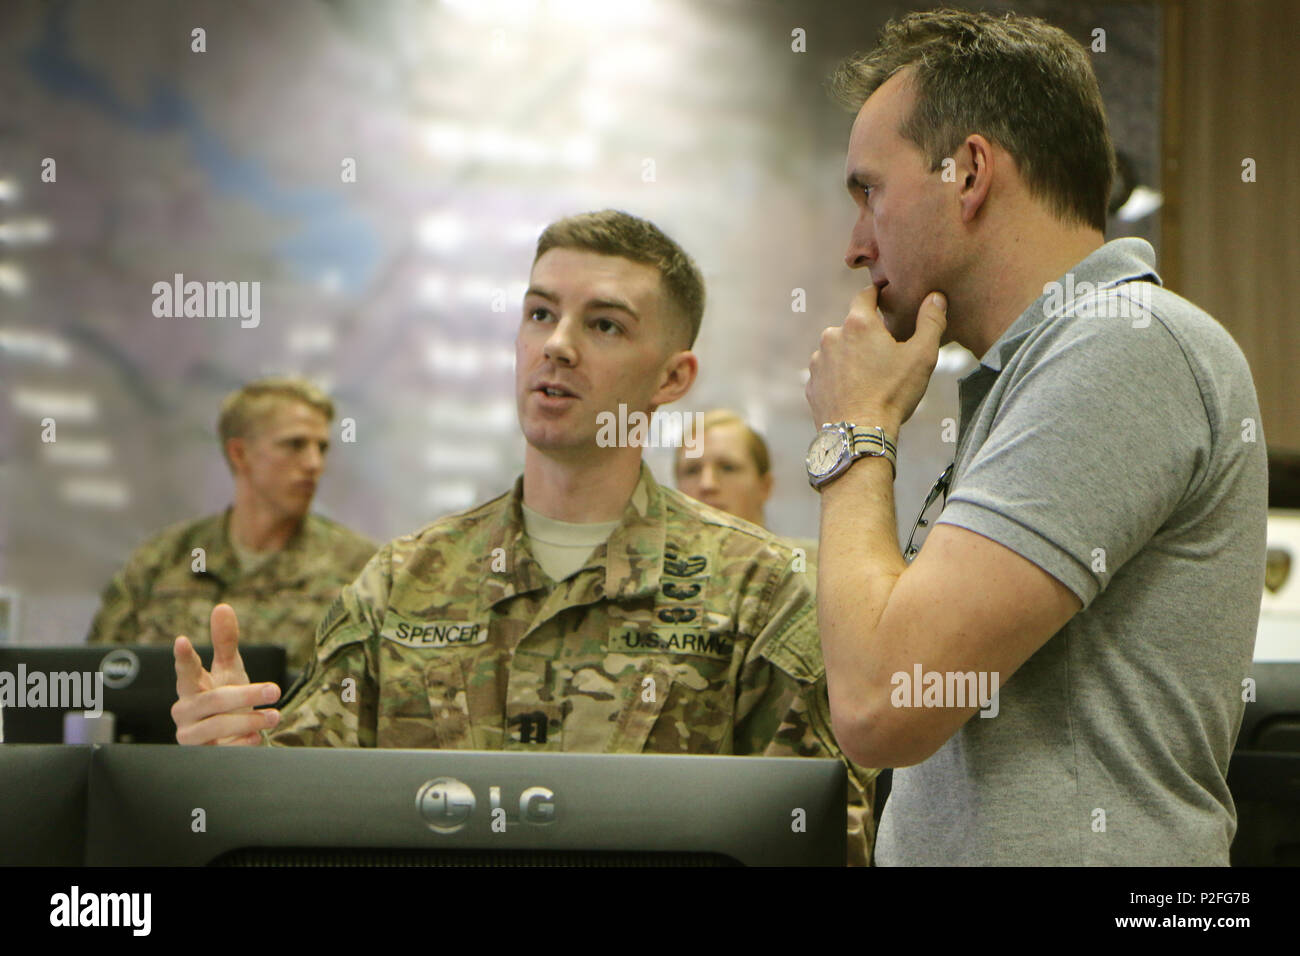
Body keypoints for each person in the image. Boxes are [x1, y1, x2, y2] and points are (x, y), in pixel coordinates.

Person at [171, 210, 877, 865]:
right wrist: (242, 757)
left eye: (604, 326)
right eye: (540, 314)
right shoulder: (403, 582)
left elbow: (820, 838)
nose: (559, 346)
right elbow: (307, 812)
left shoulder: (761, 590)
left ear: (672, 377)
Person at [805, 9, 1266, 865]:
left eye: (870, 191)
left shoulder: (1123, 343)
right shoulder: (1045, 367)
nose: (855, 246)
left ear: (968, 172)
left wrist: (853, 429)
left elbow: (883, 703)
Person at [88, 378, 376, 673]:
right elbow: (102, 677)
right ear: (240, 454)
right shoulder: (162, 561)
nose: (314, 463)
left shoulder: (358, 570)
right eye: (294, 444)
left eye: (322, 448)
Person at [675, 409, 817, 560]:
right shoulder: (656, 572)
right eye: (692, 471)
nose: (707, 484)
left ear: (764, 486)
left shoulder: (809, 567)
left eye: (727, 468)